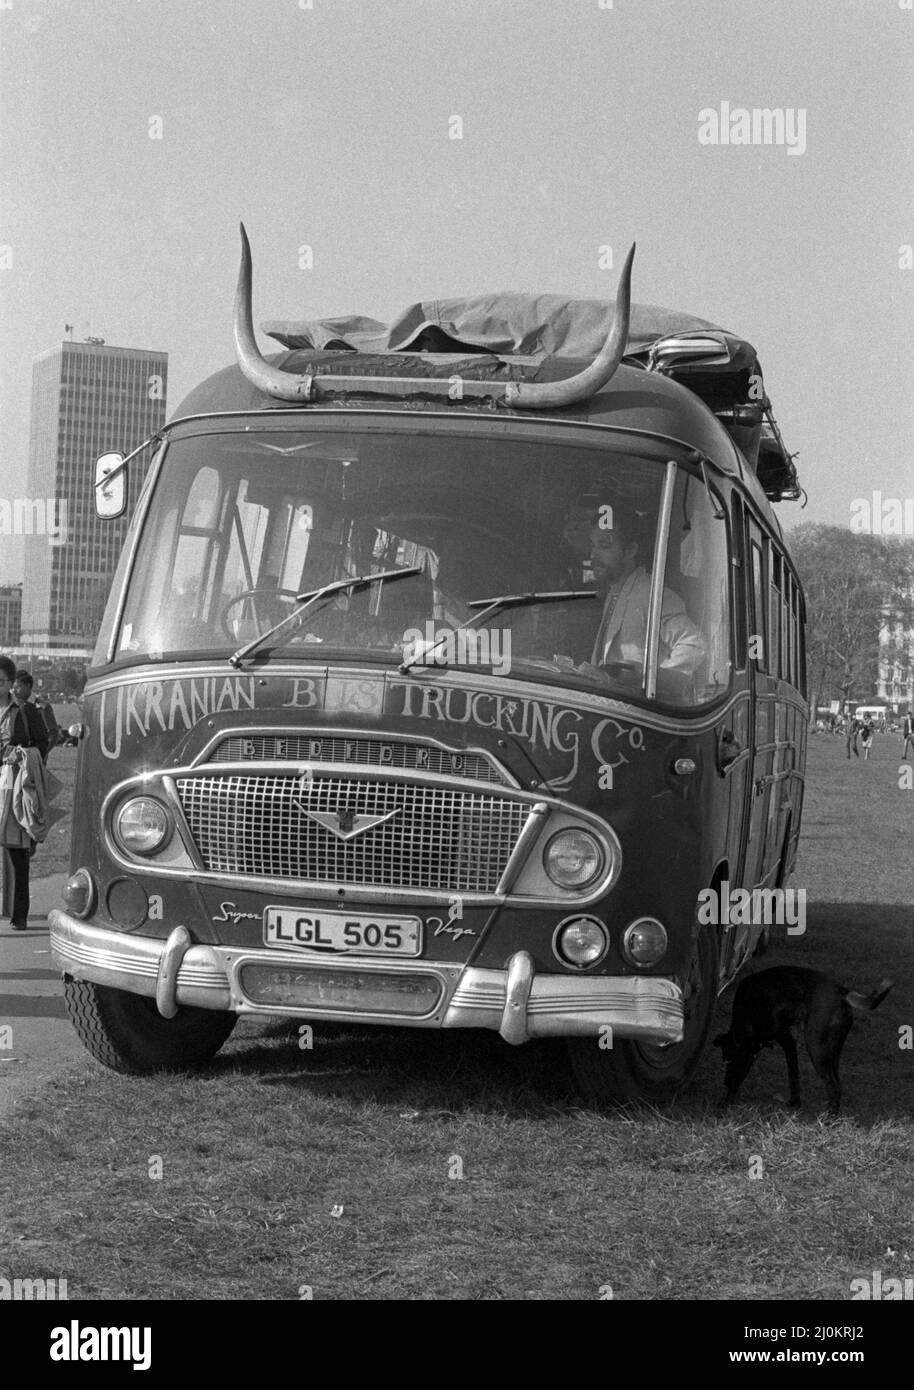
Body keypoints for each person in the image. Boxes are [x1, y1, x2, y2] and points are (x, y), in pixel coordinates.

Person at [580, 508, 707, 694]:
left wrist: (647, 676)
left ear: (630, 550)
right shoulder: (615, 592)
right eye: (592, 545)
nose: (593, 555)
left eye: (604, 546)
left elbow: (694, 644)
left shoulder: (651, 592)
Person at [0, 655, 33, 930]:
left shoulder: (20, 712)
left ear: (10, 683)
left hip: (10, 783)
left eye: (0, 681)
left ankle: (19, 913)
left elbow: (37, 745)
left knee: (16, 849)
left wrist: (18, 756)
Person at [12, 671, 50, 763]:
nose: (14, 690)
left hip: (32, 758)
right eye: (14, 687)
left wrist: (41, 755)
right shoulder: (11, 707)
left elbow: (52, 734)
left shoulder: (41, 707)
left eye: (18, 686)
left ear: (28, 686)